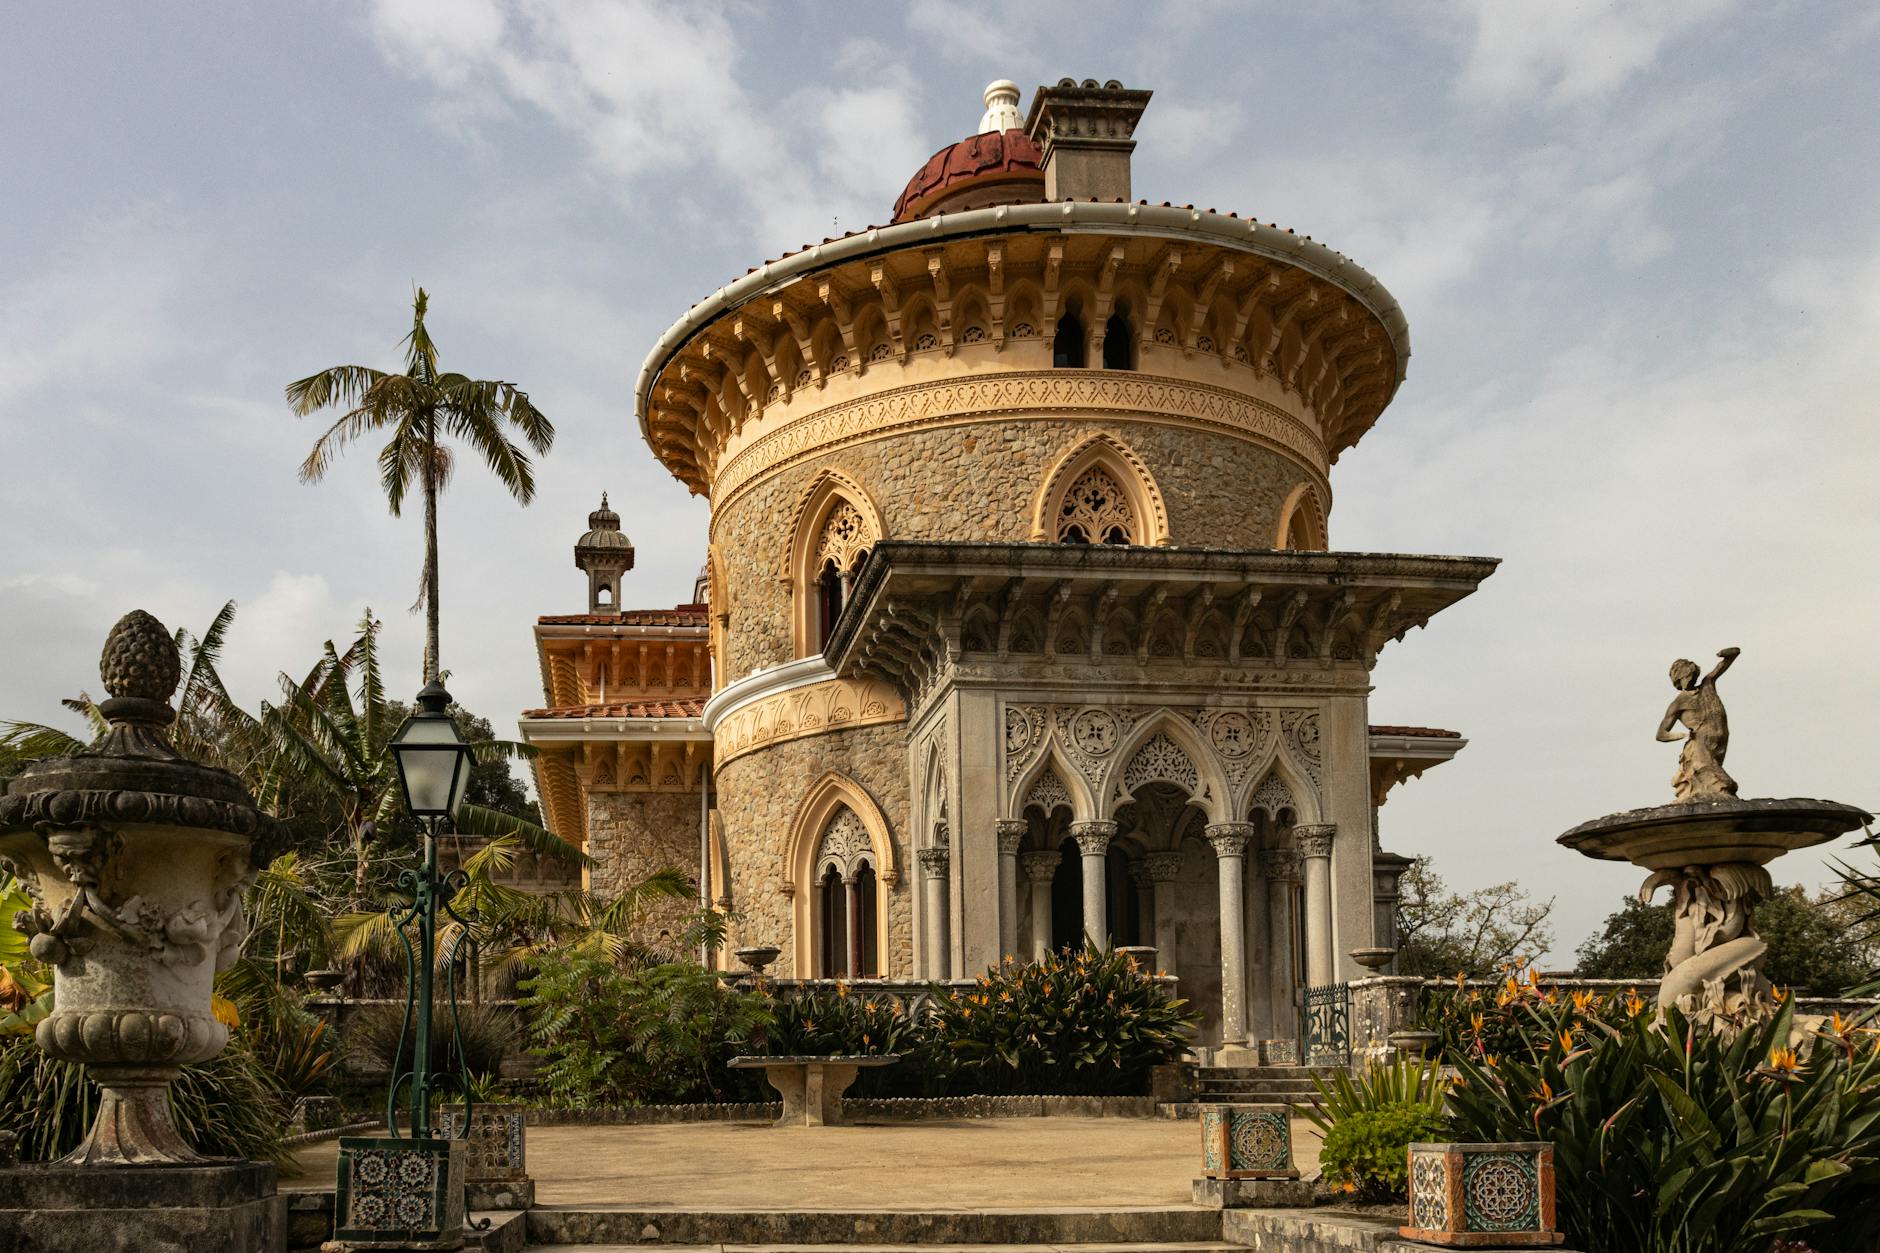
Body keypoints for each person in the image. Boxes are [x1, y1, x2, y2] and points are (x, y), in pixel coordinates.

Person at [1656, 647, 1740, 801]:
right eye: (1686, 677)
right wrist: (1683, 735)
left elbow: (1726, 663)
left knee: (1714, 779)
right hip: (1700, 744)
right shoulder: (1679, 702)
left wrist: (1730, 653)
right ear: (1679, 680)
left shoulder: (1707, 684)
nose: (1689, 679)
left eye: (1691, 675)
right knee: (1720, 782)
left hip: (1720, 739)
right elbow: (1661, 734)